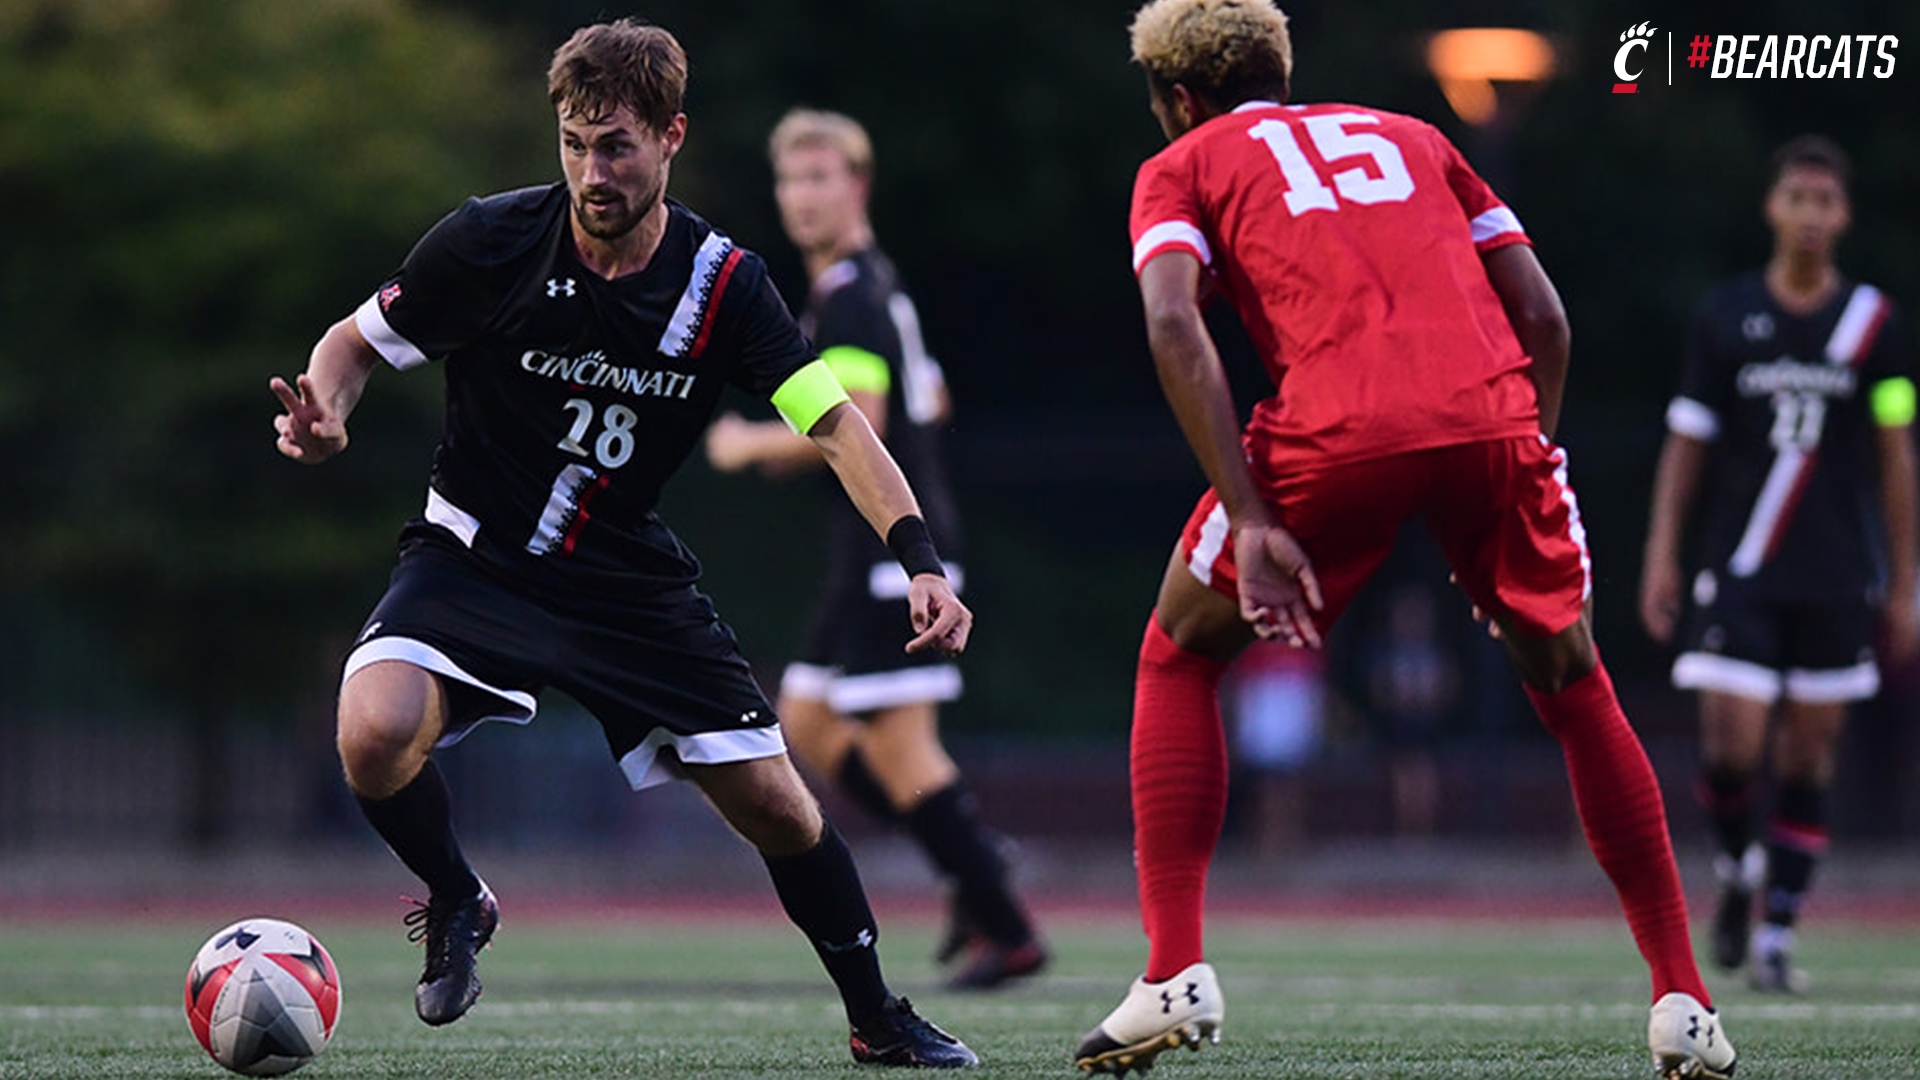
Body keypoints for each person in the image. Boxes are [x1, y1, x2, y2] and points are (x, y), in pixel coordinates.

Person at [268, 20, 978, 1068]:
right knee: (371, 731)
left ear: (671, 137)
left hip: (622, 581)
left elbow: (832, 423)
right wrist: (324, 411)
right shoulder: (490, 240)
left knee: (781, 808)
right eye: (573, 143)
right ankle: (460, 899)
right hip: (472, 557)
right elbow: (352, 345)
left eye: (617, 147)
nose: (591, 172)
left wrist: (918, 556)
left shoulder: (723, 285)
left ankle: (877, 1016)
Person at [1071, 2, 1735, 1078]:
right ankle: (1684, 1001)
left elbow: (1170, 320)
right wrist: (1522, 468)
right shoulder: (1414, 136)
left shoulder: (1185, 162)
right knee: (1576, 686)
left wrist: (1247, 511)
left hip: (1336, 425)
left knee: (1179, 652)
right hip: (1494, 416)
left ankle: (1174, 968)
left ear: (1179, 97)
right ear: (1278, 69)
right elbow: (1547, 319)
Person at [704, 108, 1047, 991]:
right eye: (791, 180)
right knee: (809, 722)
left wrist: (749, 442)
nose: (803, 196)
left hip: (892, 554)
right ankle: (970, 855)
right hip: (874, 549)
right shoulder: (867, 286)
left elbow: (865, 420)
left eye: (821, 178)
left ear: (857, 187)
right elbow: (929, 398)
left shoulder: (853, 292)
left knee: (900, 751)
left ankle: (996, 908)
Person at [1639, 134, 1918, 994]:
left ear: (1844, 217)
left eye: (1824, 202)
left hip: (1837, 571)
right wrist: (1662, 553)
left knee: (1808, 755)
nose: (1809, 215)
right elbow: (1688, 441)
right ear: (1773, 208)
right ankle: (1735, 874)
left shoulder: (1875, 325)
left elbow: (1894, 448)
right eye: (1796, 198)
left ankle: (1777, 937)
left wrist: (1906, 580)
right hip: (1743, 564)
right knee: (1730, 738)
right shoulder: (1726, 317)